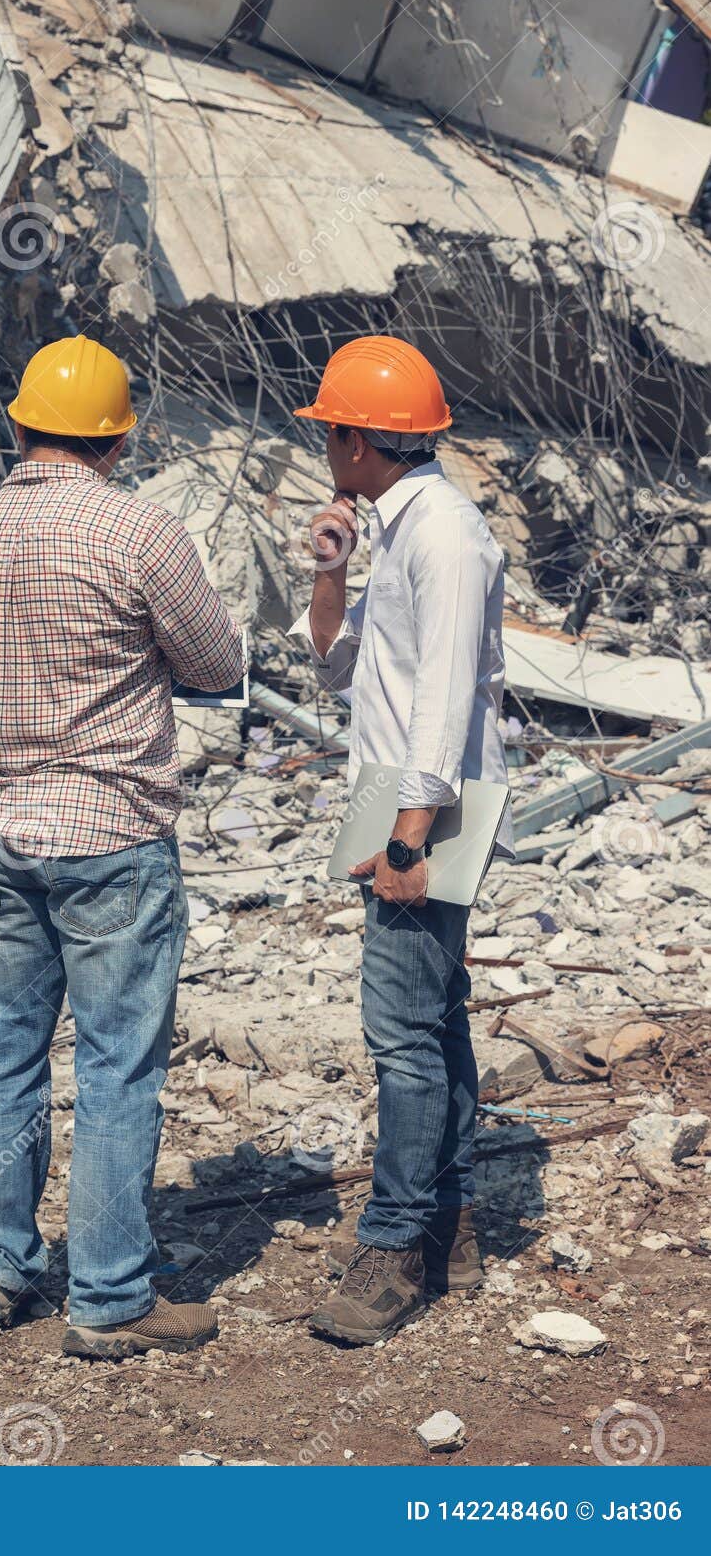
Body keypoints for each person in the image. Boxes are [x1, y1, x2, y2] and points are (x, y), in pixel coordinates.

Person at [0, 333, 243, 1360]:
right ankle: (108, 1295)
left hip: (0, 827)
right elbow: (213, 660)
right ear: (117, 438)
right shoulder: (137, 531)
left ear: (18, 424)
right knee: (116, 1063)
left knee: (3, 1049)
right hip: (110, 831)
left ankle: (1, 1264)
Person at [288, 335, 512, 1346]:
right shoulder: (397, 526)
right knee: (433, 1017)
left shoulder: (446, 538)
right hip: (398, 794)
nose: (324, 448)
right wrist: (327, 574)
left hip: (426, 805)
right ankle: (448, 1228)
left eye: (329, 432)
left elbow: (445, 696)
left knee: (401, 1035)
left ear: (355, 439)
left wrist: (410, 838)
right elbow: (338, 670)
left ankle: (392, 1248)